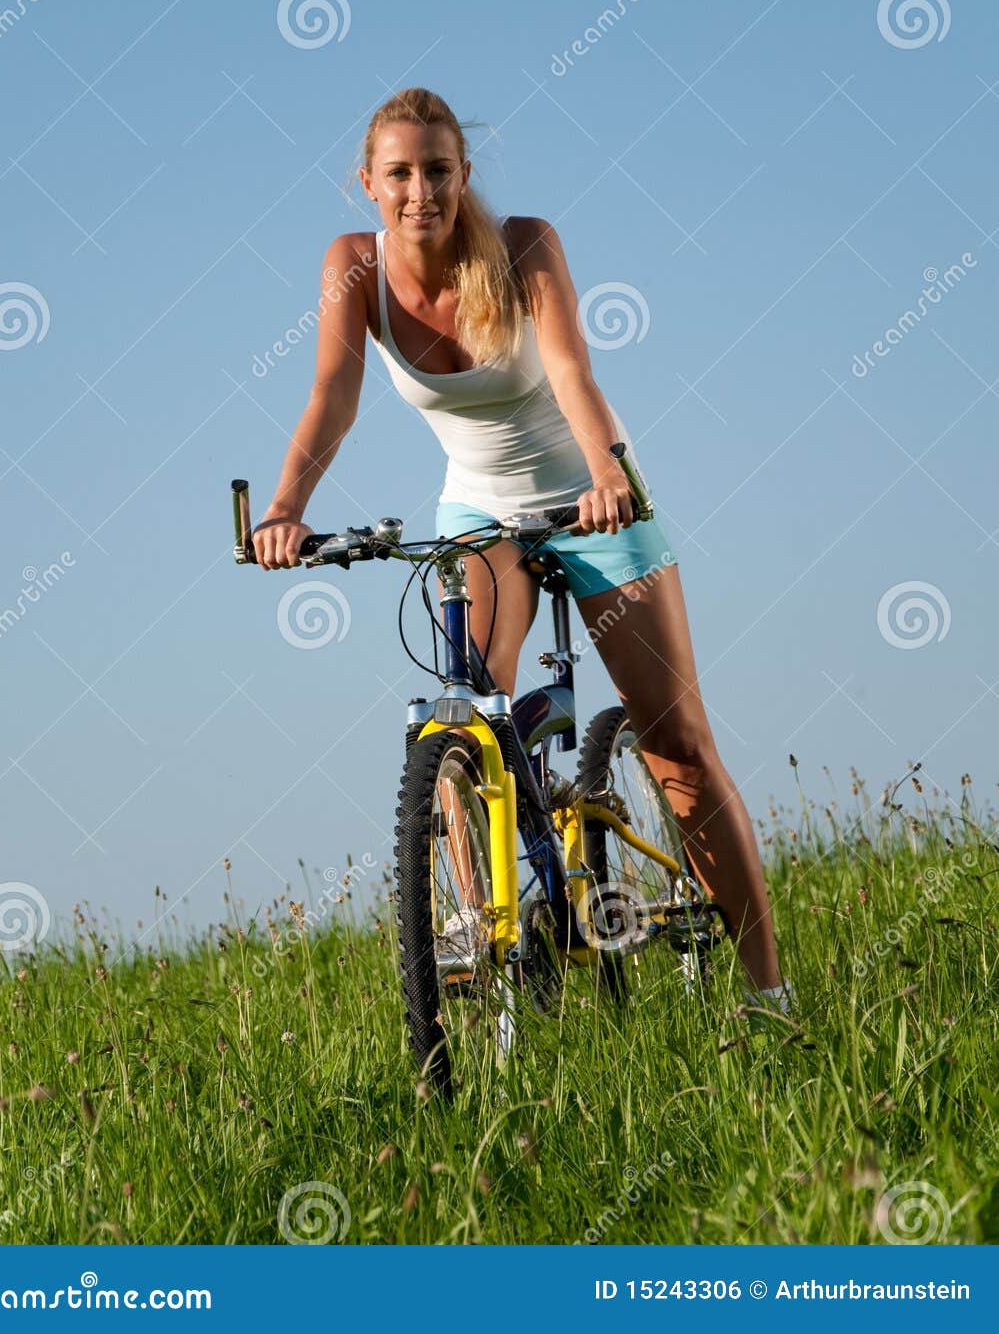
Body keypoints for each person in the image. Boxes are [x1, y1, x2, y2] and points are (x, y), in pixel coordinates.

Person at [252, 87, 792, 1016]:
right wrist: (285, 508)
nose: (419, 190)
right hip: (480, 509)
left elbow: (573, 373)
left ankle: (768, 997)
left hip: (591, 497)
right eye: (399, 174)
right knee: (467, 719)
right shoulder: (353, 266)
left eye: (437, 170)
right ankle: (481, 914)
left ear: (464, 174)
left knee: (677, 748)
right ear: (366, 183)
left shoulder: (525, 246)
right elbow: (332, 396)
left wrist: (607, 473)